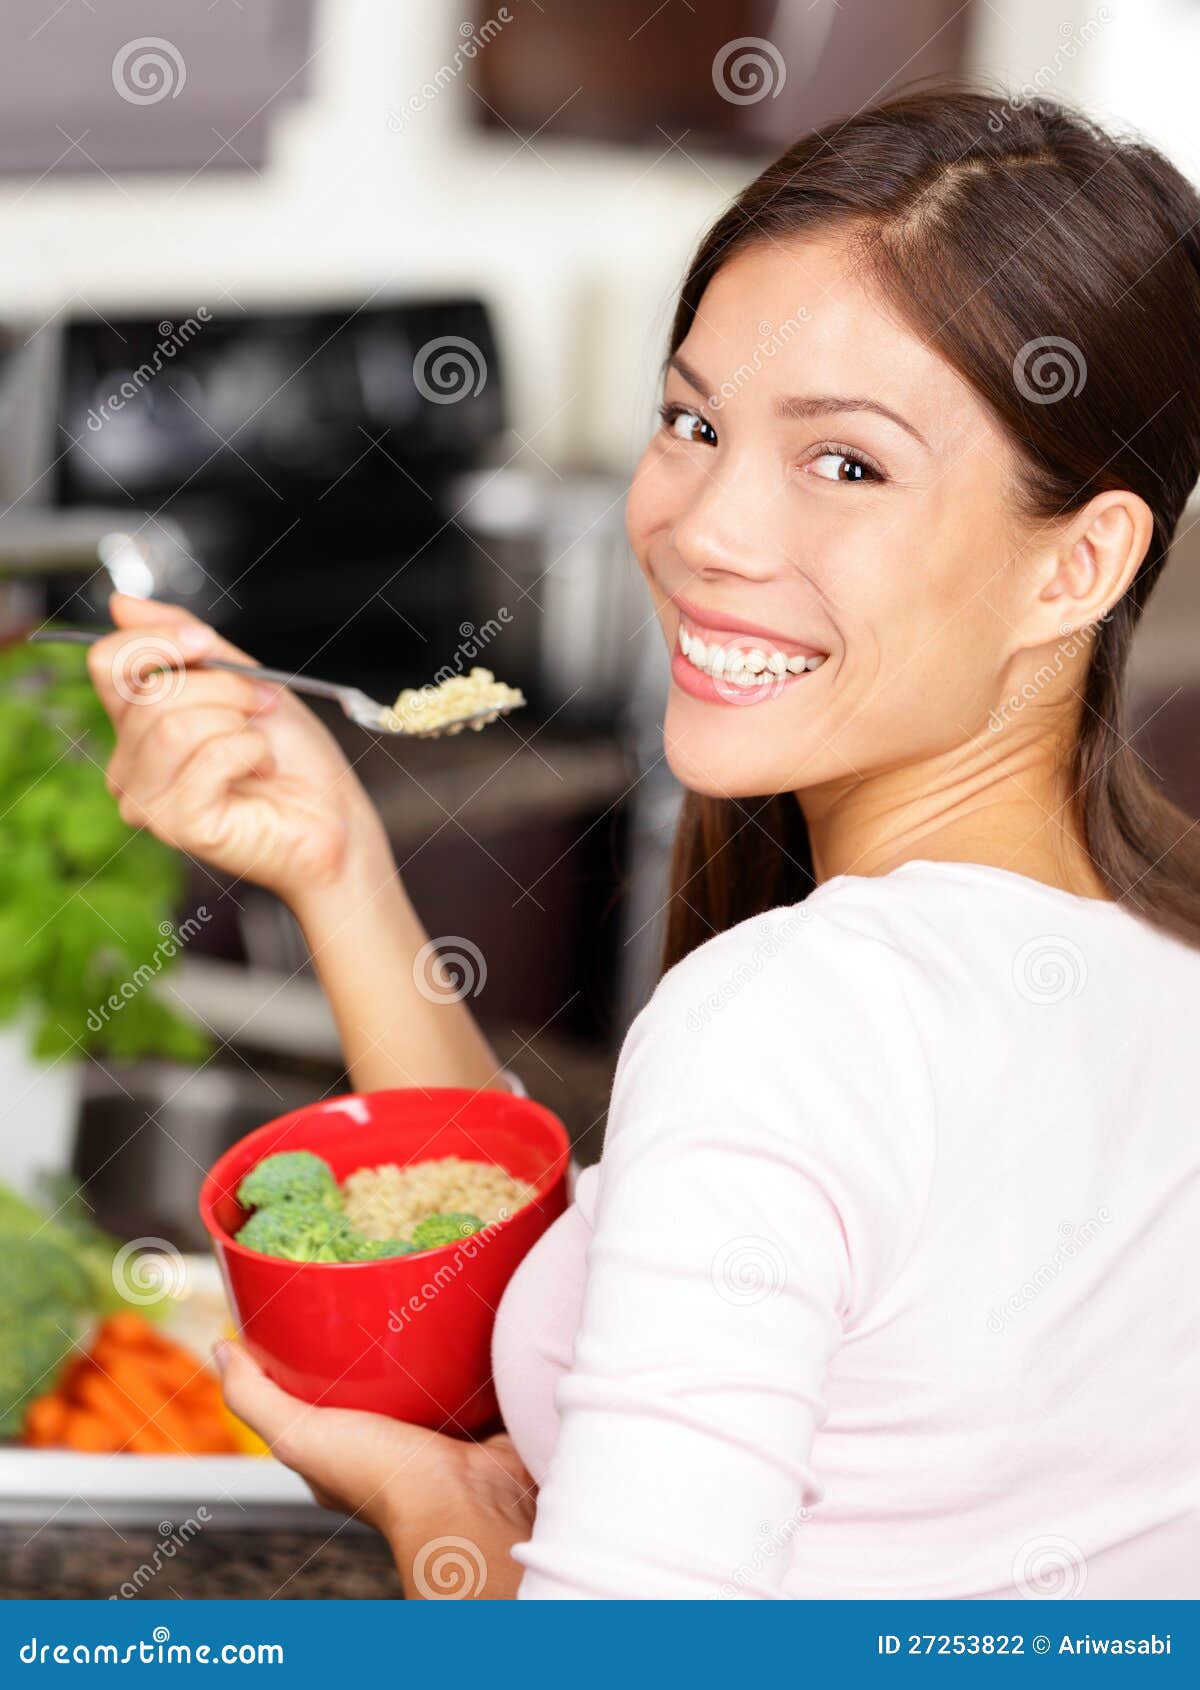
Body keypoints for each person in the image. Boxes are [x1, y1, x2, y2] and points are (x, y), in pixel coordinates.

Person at [89, 89, 1200, 1598]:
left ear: (1079, 561)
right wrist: (337, 859)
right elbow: (630, 1306)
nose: (706, 530)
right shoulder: (1155, 956)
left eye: (847, 464)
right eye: (693, 422)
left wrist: (450, 1543)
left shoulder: (799, 1017)